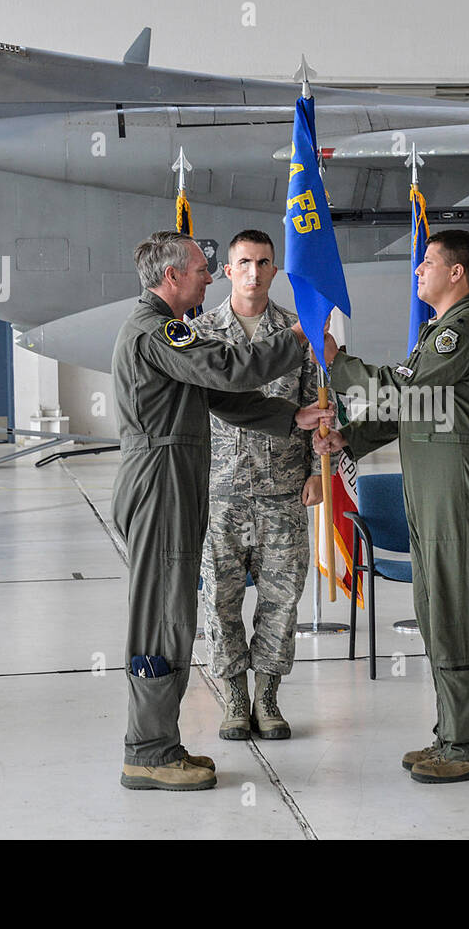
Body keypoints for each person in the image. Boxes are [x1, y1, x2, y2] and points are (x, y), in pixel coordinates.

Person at [112, 231, 331, 791]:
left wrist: (290, 420)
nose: (210, 277)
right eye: (200, 269)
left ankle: (160, 743)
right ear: (171, 278)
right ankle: (148, 751)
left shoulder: (168, 330)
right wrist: (299, 337)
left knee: (175, 608)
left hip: (175, 478)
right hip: (162, 481)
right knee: (164, 613)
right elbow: (229, 369)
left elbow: (218, 396)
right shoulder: (156, 329)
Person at [314, 230, 469, 784]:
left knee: (458, 608)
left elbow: (404, 390)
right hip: (432, 480)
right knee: (436, 606)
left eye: (427, 263)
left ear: (457, 274)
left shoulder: (463, 329)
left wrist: (338, 363)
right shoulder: (439, 330)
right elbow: (416, 406)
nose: (417, 271)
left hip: (457, 480)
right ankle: (452, 733)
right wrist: (349, 438)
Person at [191, 229, 328, 742]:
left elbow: (319, 408)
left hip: (284, 489)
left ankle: (268, 696)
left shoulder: (299, 332)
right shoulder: (201, 333)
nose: (253, 271)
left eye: (263, 262)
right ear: (228, 270)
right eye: (243, 262)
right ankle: (234, 697)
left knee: (282, 598)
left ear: (275, 271)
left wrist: (318, 473)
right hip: (220, 491)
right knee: (220, 600)